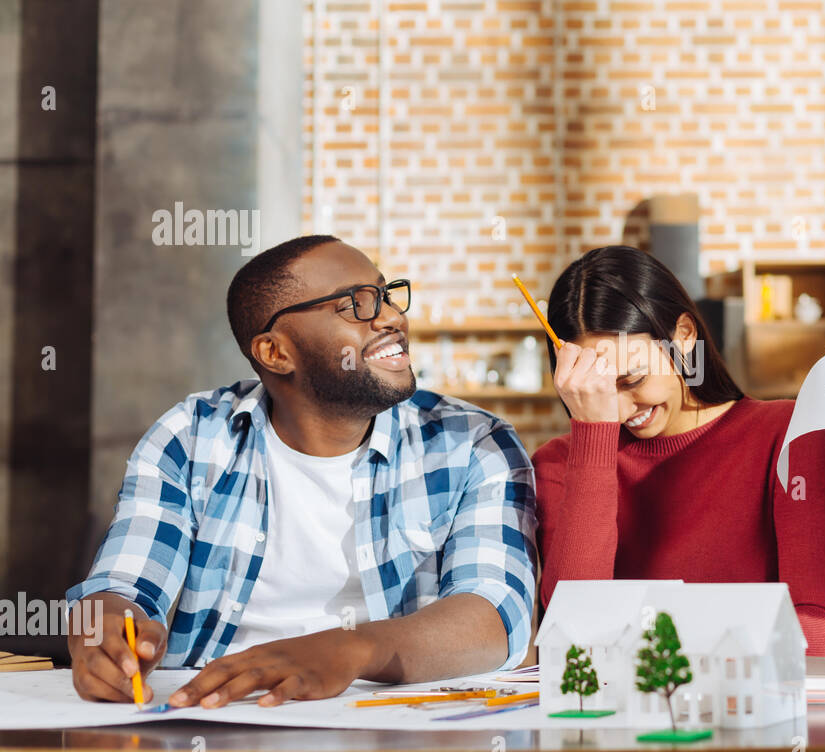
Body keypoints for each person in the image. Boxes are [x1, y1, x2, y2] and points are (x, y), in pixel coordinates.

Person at [66, 235, 536, 706]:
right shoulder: (191, 437)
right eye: (357, 304)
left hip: (390, 726)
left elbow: (496, 616)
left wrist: (351, 649)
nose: (393, 317)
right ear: (275, 353)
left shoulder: (471, 442)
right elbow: (123, 586)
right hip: (214, 723)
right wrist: (103, 630)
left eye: (386, 295)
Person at [531, 246, 825, 656]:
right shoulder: (559, 465)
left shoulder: (788, 436)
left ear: (683, 336)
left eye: (632, 379)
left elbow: (816, 631)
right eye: (597, 389)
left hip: (748, 711)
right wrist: (593, 433)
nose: (623, 409)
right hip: (622, 717)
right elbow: (574, 641)